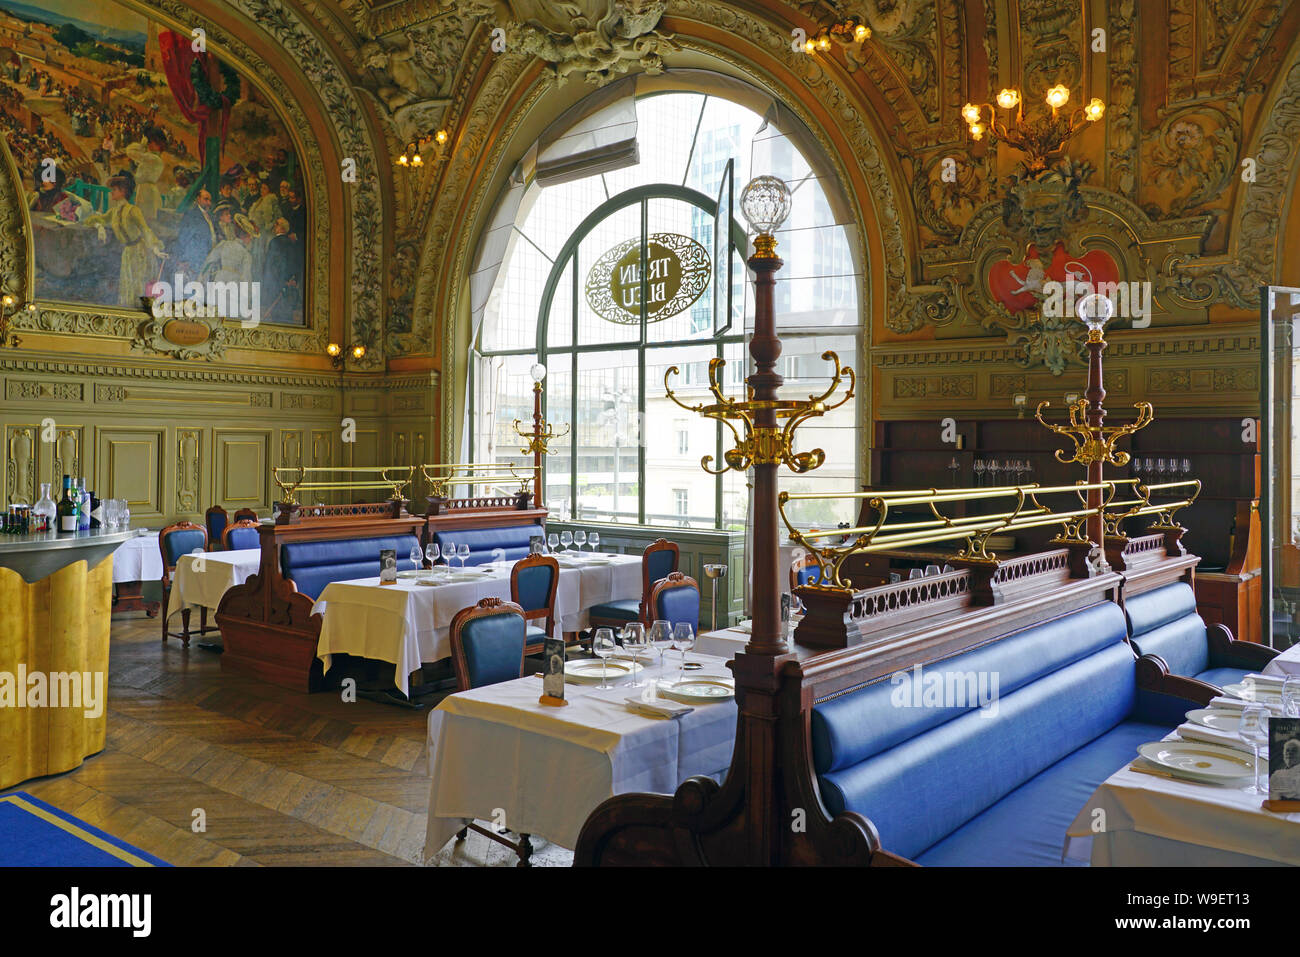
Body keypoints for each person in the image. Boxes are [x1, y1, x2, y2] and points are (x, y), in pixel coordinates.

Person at [82, 174, 166, 307]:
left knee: (138, 283)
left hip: (141, 252)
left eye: (114, 190)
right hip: (128, 252)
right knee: (128, 283)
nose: (111, 193)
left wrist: (156, 249)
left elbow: (145, 230)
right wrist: (99, 226)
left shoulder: (133, 210)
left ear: (123, 191)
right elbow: (93, 219)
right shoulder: (113, 212)